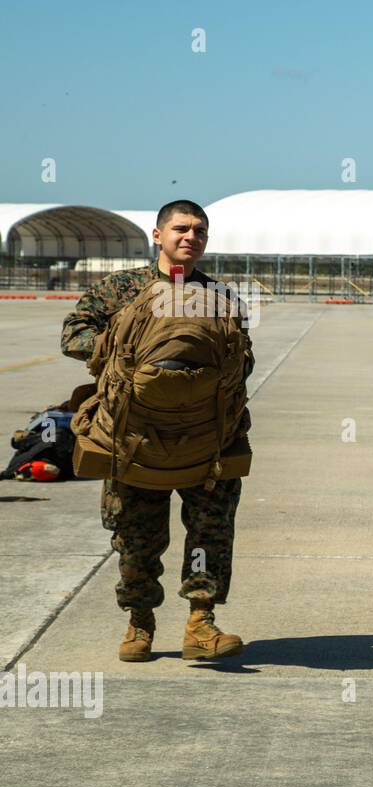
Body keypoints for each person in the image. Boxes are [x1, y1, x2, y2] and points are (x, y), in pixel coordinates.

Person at [60, 199, 251, 663]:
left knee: (210, 531)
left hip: (204, 435)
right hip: (135, 436)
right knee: (136, 536)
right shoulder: (120, 289)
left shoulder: (222, 296)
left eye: (199, 231)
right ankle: (139, 622)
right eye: (181, 229)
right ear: (158, 235)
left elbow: (240, 357)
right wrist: (119, 345)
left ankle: (200, 624)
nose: (191, 237)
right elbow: (73, 336)